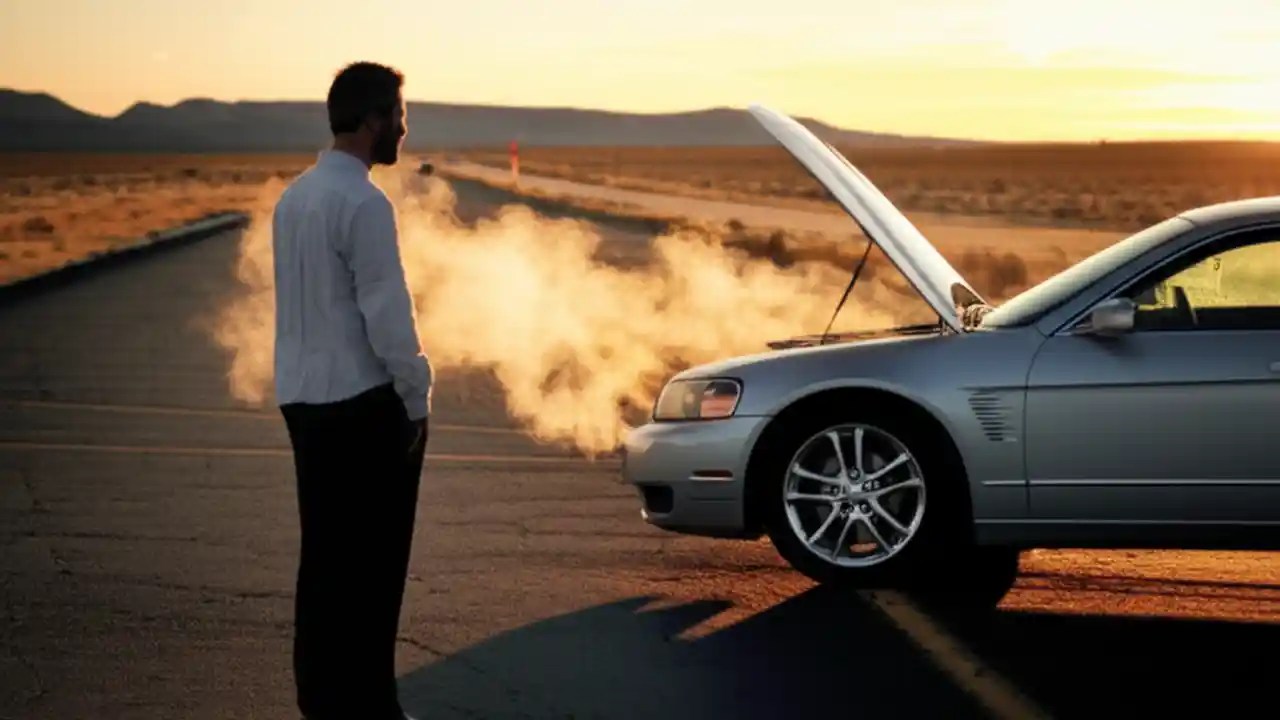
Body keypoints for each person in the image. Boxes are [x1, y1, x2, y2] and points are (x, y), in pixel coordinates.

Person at [272, 61, 433, 720]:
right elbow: (385, 313)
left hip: (302, 398)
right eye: (398, 113)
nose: (403, 125)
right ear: (371, 120)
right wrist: (416, 393)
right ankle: (370, 707)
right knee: (374, 567)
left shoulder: (295, 197)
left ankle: (323, 701)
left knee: (325, 561)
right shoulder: (364, 202)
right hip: (363, 404)